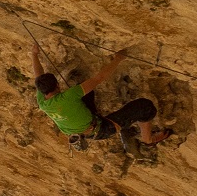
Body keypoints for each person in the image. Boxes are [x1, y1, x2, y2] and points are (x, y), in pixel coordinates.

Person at [32, 42, 172, 146]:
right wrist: (118, 59)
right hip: (101, 129)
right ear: (57, 85)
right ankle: (148, 139)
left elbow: (38, 75)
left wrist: (34, 55)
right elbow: (99, 79)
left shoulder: (43, 102)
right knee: (145, 106)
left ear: (42, 90)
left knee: (85, 93)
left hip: (81, 129)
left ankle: (107, 120)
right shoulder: (68, 96)